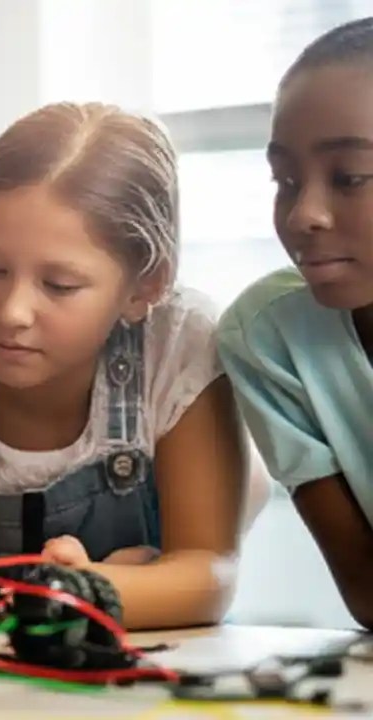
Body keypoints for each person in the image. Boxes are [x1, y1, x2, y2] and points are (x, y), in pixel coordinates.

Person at [0, 101, 253, 630]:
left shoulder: (180, 348)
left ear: (146, 285)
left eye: (59, 285)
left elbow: (206, 577)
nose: (11, 312)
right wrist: (62, 593)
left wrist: (77, 589)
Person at [217, 17, 373, 631]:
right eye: (284, 181)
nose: (303, 214)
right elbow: (365, 591)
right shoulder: (267, 338)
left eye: (350, 178)